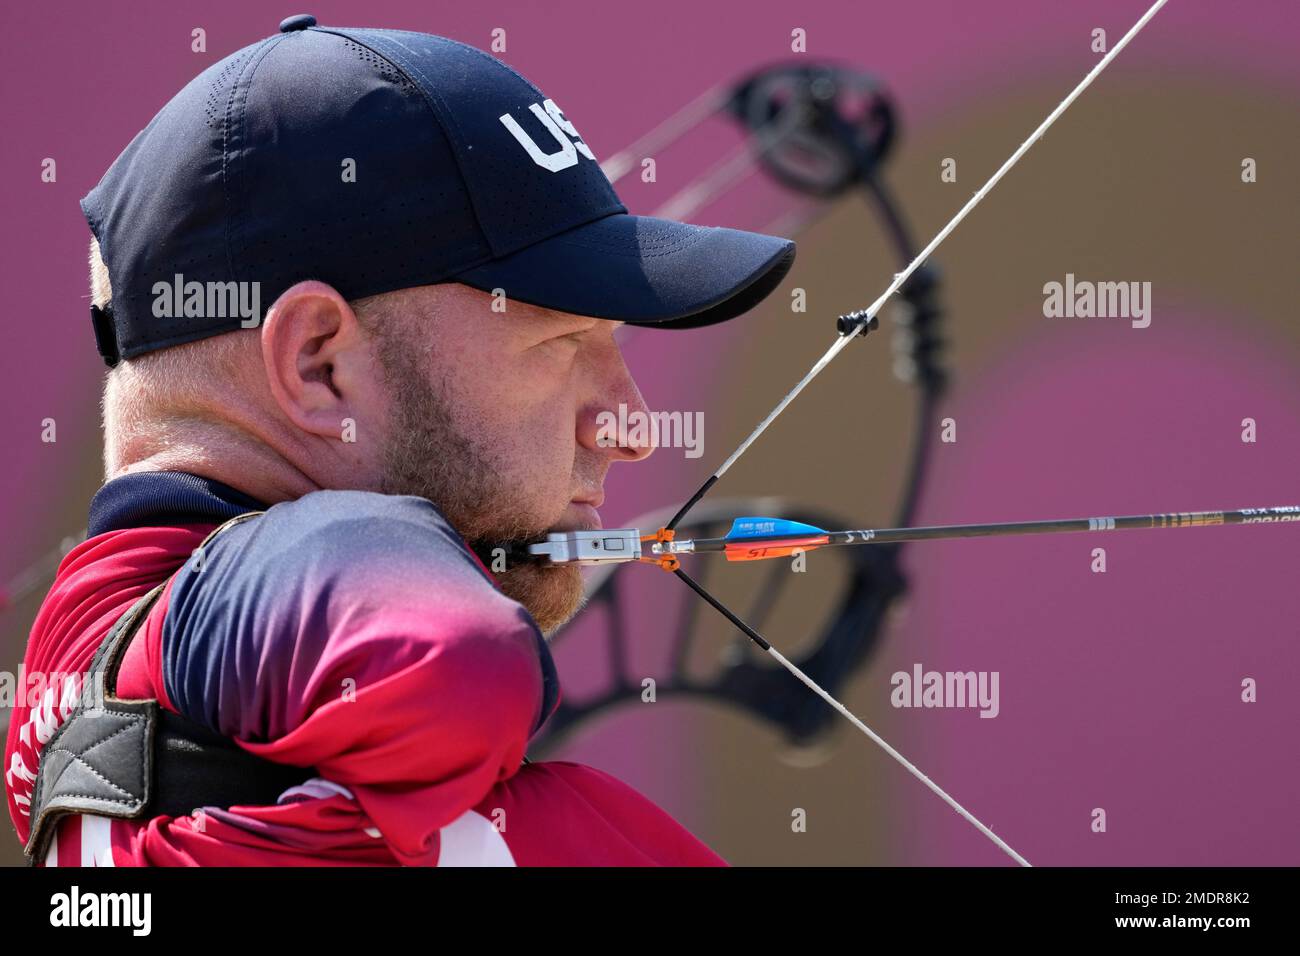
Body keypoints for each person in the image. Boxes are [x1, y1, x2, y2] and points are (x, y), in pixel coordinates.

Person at [4, 16, 793, 866]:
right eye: (560, 341)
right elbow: (456, 653)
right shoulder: (209, 626)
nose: (629, 427)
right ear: (318, 365)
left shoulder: (106, 663)